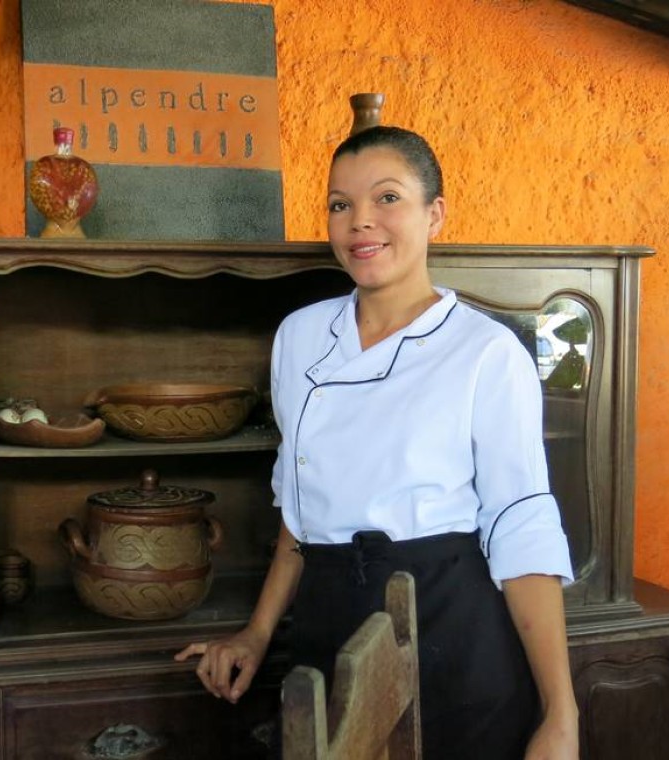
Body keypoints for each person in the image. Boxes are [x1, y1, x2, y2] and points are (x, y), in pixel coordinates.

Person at [175, 125, 579, 760]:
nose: (361, 222)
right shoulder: (300, 337)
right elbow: (301, 511)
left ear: (434, 214)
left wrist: (560, 714)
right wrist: (257, 633)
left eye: (387, 198)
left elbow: (521, 527)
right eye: (341, 204)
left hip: (449, 621)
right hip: (327, 620)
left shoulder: (484, 352)